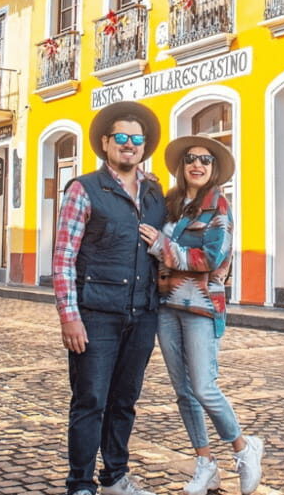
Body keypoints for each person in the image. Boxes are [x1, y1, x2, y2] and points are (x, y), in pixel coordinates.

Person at [138, 134, 264, 495]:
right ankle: (205, 463)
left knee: (205, 388)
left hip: (201, 307)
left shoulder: (219, 206)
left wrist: (165, 248)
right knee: (183, 392)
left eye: (205, 160)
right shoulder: (172, 204)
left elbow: (212, 258)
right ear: (182, 165)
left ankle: (243, 446)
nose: (197, 164)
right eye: (191, 158)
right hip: (166, 306)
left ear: (214, 170)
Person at [53, 101, 166, 495]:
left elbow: (169, 242)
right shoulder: (83, 189)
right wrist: (70, 316)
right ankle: (80, 484)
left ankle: (116, 476)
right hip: (96, 314)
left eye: (137, 139)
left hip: (142, 313)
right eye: (121, 137)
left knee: (125, 401)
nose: (130, 144)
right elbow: (64, 256)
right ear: (105, 143)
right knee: (90, 400)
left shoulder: (154, 193)